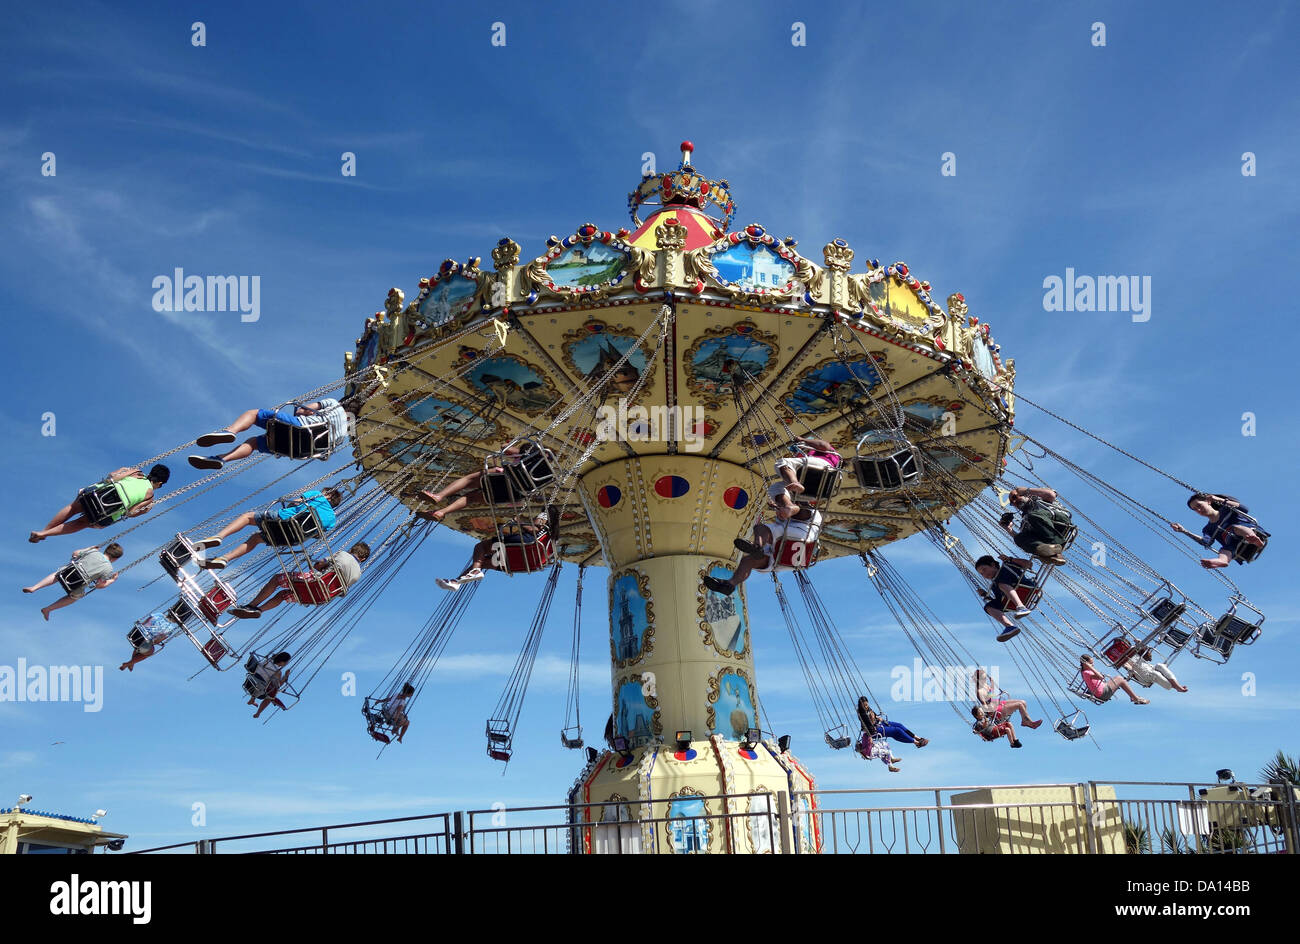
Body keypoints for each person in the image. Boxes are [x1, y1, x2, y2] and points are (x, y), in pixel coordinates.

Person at [197, 487, 342, 569]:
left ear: (328, 494)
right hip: (293, 538)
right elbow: (317, 535)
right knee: (257, 538)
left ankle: (219, 536)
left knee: (247, 517)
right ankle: (225, 559)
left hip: (283, 520)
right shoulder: (332, 520)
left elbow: (295, 503)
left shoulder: (317, 495)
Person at [188, 399, 354, 470]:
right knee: (254, 443)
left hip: (300, 428)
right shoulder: (343, 436)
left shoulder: (334, 404)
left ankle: (230, 432)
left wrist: (300, 410)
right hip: (300, 451)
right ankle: (221, 459)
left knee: (253, 414)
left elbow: (303, 410)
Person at [703, 501, 823, 596]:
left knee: (761, 529)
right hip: (788, 558)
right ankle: (729, 585)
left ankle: (757, 547)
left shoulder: (811, 512)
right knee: (747, 561)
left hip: (801, 537)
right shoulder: (798, 515)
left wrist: (781, 506)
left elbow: (799, 512)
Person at [30, 465, 170, 543]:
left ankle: (43, 532)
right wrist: (145, 511)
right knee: (83, 523)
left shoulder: (135, 472)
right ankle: (46, 533)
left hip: (97, 495)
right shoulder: (150, 495)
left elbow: (112, 477)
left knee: (74, 507)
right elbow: (131, 512)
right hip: (107, 512)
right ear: (160, 483)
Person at [229, 542, 369, 618]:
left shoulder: (343, 554)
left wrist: (319, 566)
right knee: (283, 595)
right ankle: (260, 610)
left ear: (352, 550)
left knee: (277, 579)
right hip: (319, 597)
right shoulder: (358, 575)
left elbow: (319, 564)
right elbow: (342, 593)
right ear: (362, 559)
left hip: (313, 583)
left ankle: (252, 606)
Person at [419, 443, 547, 520]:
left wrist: (518, 448)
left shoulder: (527, 454)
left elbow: (504, 447)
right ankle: (441, 512)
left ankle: (438, 496)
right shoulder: (543, 472)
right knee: (471, 498)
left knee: (468, 479)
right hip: (511, 495)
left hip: (502, 478)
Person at [437, 515, 550, 590]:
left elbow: (534, 530)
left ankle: (475, 571)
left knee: (481, 546)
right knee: (483, 562)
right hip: (524, 562)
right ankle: (456, 582)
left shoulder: (544, 523)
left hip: (526, 544)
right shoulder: (552, 538)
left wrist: (518, 521)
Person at [23, 543, 124, 621]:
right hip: (77, 584)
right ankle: (48, 609)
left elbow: (75, 553)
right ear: (115, 558)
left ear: (106, 550)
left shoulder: (93, 552)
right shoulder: (108, 568)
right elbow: (99, 585)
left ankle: (34, 587)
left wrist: (89, 548)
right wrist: (112, 580)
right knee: (75, 597)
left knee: (57, 574)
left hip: (67, 573)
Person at [1171, 493, 1266, 569]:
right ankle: (1223, 561)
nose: (1199, 510)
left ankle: (1255, 539)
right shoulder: (1208, 529)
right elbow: (1206, 542)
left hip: (1248, 530)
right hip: (1236, 546)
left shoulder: (1226, 509)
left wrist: (1219, 499)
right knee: (1224, 550)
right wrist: (1184, 531)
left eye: (1199, 505)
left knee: (1236, 528)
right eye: (1195, 509)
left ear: (1208, 501)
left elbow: (1244, 509)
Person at [998, 486, 1071, 565]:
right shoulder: (1024, 520)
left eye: (1015, 497)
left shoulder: (1038, 496)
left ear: (1024, 494)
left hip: (1060, 522)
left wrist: (1026, 490)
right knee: (1019, 538)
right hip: (1045, 536)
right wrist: (1009, 529)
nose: (1015, 502)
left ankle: (1053, 549)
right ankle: (1050, 553)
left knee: (1033, 516)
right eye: (1012, 503)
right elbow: (1028, 539)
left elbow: (1051, 495)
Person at [975, 553, 1037, 642]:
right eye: (981, 573)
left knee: (1001, 583)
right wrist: (985, 595)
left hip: (1025, 587)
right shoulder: (994, 585)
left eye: (984, 569)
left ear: (993, 565)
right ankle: (1009, 626)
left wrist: (1011, 559)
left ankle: (1021, 607)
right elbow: (1000, 601)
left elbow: (1029, 564)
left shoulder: (1008, 566)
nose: (984, 574)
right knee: (988, 607)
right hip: (1010, 600)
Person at [972, 668, 1043, 729]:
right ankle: (1029, 722)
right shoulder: (979, 691)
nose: (986, 680)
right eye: (984, 679)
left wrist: (992, 685)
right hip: (996, 711)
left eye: (985, 678)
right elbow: (986, 707)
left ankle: (1024, 721)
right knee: (1019, 705)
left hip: (998, 703)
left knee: (1023, 702)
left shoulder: (986, 685)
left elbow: (991, 695)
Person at [776, 435, 842, 495]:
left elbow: (824, 446)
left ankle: (795, 483)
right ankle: (787, 505)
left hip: (823, 466)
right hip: (814, 487)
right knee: (777, 487)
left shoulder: (822, 451)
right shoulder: (807, 456)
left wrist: (803, 440)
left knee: (783, 462)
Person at [857, 696, 928, 750]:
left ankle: (917, 738)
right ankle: (917, 743)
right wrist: (873, 721)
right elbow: (868, 725)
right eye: (864, 705)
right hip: (873, 730)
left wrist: (877, 717)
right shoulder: (862, 714)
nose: (866, 707)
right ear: (860, 705)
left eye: (866, 705)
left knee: (899, 725)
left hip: (878, 724)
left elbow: (874, 715)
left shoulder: (868, 709)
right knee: (897, 730)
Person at [1080, 653, 1149, 705]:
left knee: (1117, 677)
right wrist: (1091, 667)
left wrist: (1090, 667)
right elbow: (1101, 677)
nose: (1093, 665)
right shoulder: (1086, 672)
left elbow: (1099, 677)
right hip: (1103, 694)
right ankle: (1136, 698)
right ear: (1085, 664)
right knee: (1121, 680)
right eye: (1091, 663)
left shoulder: (1085, 672)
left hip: (1102, 688)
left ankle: (1133, 696)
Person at [247, 652, 292, 719]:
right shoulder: (278, 672)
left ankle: (252, 699)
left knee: (262, 683)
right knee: (270, 697)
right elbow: (278, 685)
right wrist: (286, 676)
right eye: (286, 662)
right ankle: (258, 713)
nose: (286, 664)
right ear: (282, 662)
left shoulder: (267, 661)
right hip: (259, 688)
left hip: (250, 681)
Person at [1124, 648, 1188, 693]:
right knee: (1155, 674)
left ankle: (1177, 686)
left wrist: (1139, 644)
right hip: (1143, 676)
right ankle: (1175, 687)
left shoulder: (1134, 651)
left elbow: (1148, 657)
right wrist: (1129, 669)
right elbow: (1127, 667)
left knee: (1159, 665)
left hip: (1150, 668)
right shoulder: (1123, 659)